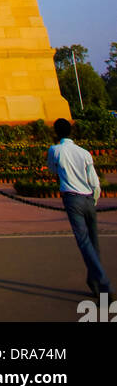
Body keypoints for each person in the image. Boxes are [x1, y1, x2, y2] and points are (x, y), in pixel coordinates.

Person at [47, 117, 112, 296]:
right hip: (89, 198)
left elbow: (53, 170)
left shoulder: (55, 150)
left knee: (84, 243)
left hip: (72, 199)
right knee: (93, 242)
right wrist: (94, 199)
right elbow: (94, 181)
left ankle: (104, 284)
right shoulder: (84, 152)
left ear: (56, 132)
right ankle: (94, 281)